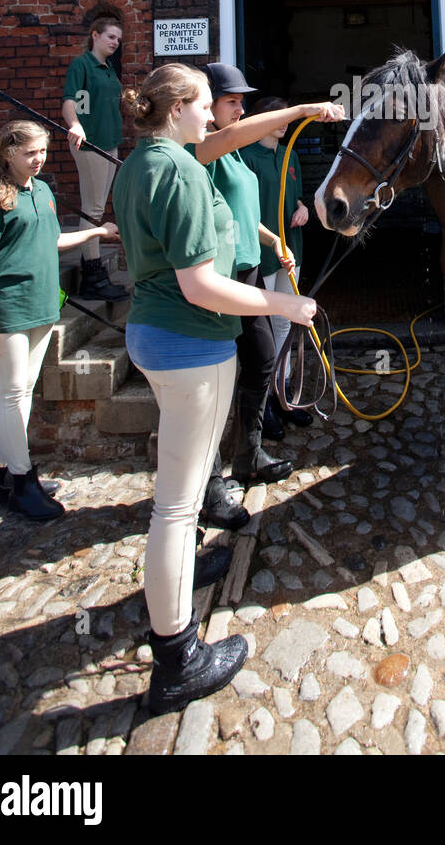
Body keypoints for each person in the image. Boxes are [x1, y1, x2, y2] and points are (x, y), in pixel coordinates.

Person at [112, 63, 318, 715]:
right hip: (190, 342)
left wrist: (295, 113)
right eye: (204, 104)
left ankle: (174, 593)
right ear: (177, 107)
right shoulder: (176, 170)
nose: (213, 115)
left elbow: (230, 137)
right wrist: (281, 306)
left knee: (185, 491)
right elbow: (200, 284)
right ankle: (176, 657)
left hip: (153, 333)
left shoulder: (143, 160)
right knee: (174, 508)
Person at [186, 65, 342, 530]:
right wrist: (303, 111)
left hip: (251, 266)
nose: (240, 108)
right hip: (220, 275)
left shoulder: (233, 154)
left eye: (240, 102)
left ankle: (248, 453)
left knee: (260, 359)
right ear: (208, 105)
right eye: (232, 101)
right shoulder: (207, 146)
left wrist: (272, 239)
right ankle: (210, 485)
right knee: (216, 379)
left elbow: (238, 208)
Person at [0, 120, 120, 520]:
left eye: (43, 152)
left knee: (25, 390)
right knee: (11, 393)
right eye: (30, 153)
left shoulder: (44, 191)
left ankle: (4, 473)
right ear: (8, 152)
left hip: (43, 305)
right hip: (9, 310)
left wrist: (95, 233)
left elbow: (51, 241)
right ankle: (22, 481)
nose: (38, 160)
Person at [240, 96, 310, 427]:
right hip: (263, 252)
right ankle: (263, 401)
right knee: (264, 328)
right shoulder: (246, 155)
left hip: (290, 251)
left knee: (285, 323)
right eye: (275, 116)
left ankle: (284, 395)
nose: (283, 122)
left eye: (286, 116)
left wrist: (303, 208)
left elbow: (296, 194)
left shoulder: (290, 154)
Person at [61, 15, 128, 302]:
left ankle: (95, 272)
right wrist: (75, 124)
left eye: (118, 39)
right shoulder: (82, 65)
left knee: (98, 208)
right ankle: (92, 275)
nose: (115, 42)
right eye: (111, 37)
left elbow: (97, 101)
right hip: (90, 145)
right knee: (93, 208)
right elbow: (70, 101)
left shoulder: (108, 68)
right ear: (95, 36)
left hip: (110, 143)